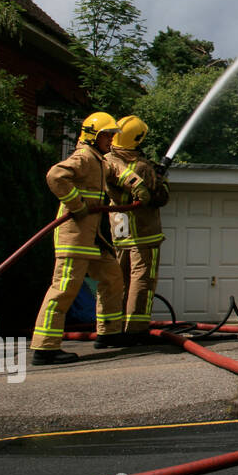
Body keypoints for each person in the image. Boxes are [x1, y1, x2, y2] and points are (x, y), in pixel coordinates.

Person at [30, 112, 127, 365]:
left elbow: (117, 172)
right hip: (74, 238)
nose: (111, 140)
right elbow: (55, 176)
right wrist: (77, 203)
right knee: (64, 288)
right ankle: (45, 348)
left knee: (112, 277)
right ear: (93, 135)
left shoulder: (98, 160)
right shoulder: (84, 157)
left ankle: (108, 333)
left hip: (92, 238)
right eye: (107, 135)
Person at [105, 115, 169, 343]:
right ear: (138, 139)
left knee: (118, 281)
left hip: (120, 231)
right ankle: (136, 330)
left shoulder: (109, 161)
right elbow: (159, 198)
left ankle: (112, 327)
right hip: (144, 233)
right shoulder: (142, 167)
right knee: (142, 280)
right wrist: (160, 180)